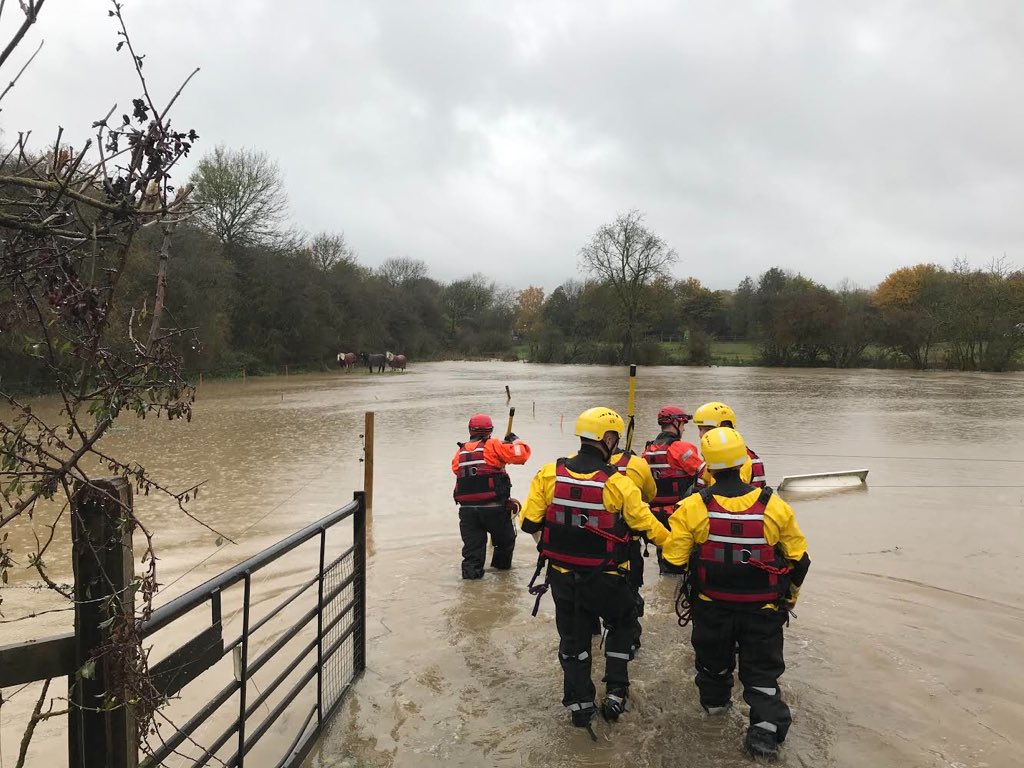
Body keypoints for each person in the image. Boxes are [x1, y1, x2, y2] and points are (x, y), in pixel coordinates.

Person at [662, 427, 810, 761]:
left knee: (713, 669)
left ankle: (714, 716)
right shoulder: (775, 506)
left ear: (708, 467)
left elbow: (673, 559)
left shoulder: (692, 507)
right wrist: (790, 598)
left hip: (711, 609)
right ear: (743, 460)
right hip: (764, 611)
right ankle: (765, 734)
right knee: (762, 672)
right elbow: (800, 561)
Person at [519, 407, 670, 732]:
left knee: (573, 641)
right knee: (621, 625)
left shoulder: (549, 473)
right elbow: (649, 528)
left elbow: (529, 522)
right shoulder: (619, 483)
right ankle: (615, 694)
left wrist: (554, 548)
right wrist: (679, 544)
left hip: (562, 578)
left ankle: (579, 707)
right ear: (610, 439)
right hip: (608, 579)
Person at [452, 413, 531, 579]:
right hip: (495, 510)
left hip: (467, 513)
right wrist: (514, 440)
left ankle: (471, 588)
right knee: (505, 544)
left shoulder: (460, 452)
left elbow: (456, 470)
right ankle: (503, 581)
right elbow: (521, 455)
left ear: (470, 430)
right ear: (491, 430)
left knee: (472, 554)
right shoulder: (494, 445)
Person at [641, 405, 705, 573]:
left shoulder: (647, 451)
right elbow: (704, 473)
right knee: (683, 561)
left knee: (665, 557)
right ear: (676, 423)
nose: (684, 429)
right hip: (679, 514)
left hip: (655, 516)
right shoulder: (682, 449)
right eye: (683, 424)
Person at [608, 445, 657, 658]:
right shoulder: (638, 464)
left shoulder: (572, 466)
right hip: (628, 547)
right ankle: (630, 642)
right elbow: (650, 494)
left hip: (590, 550)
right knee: (629, 594)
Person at [691, 401, 767, 489]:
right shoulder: (715, 457)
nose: (701, 435)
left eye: (708, 429)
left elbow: (726, 494)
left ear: (727, 427)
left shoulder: (740, 460)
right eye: (700, 429)